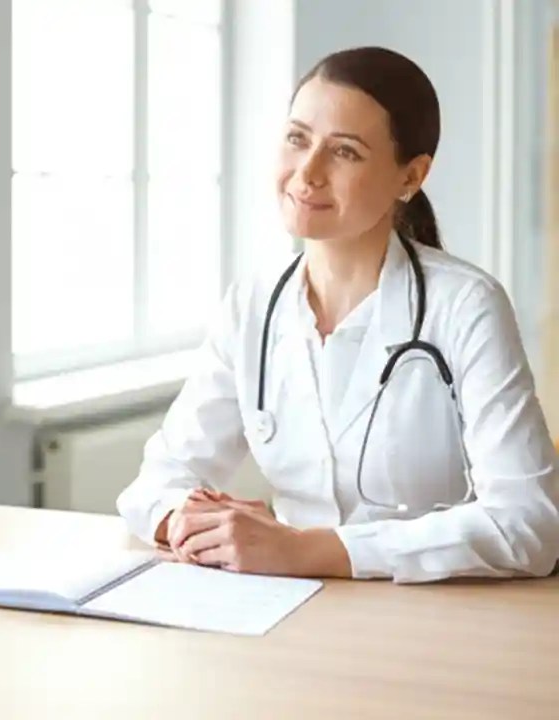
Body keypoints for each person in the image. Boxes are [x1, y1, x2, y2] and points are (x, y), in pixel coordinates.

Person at [117, 46, 559, 584]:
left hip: (437, 618)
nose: (308, 173)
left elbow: (529, 524)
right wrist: (194, 523)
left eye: (345, 152)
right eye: (297, 138)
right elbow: (157, 481)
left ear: (410, 176)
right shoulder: (252, 305)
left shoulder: (466, 306)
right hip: (286, 607)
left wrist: (312, 551)